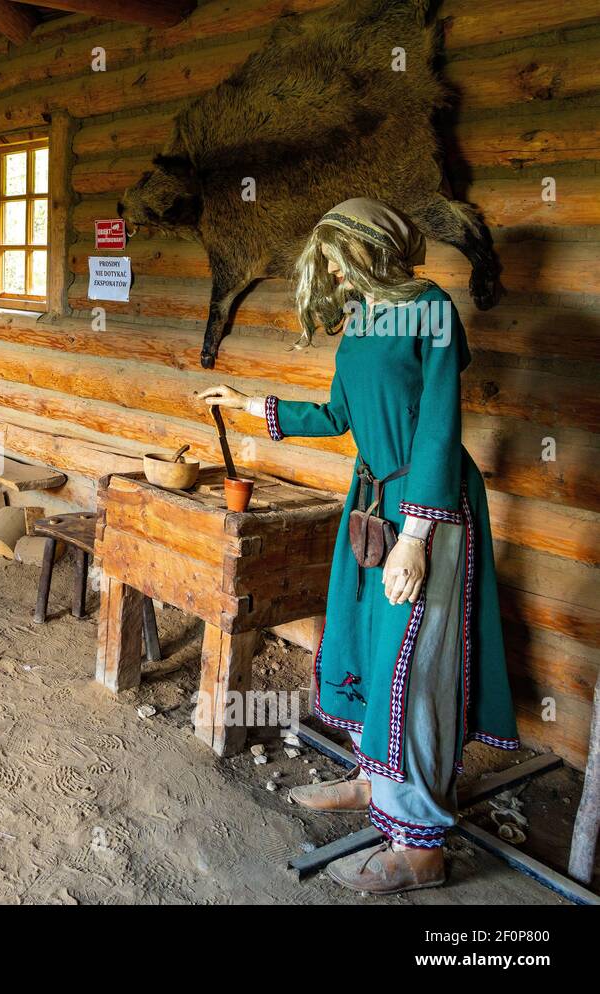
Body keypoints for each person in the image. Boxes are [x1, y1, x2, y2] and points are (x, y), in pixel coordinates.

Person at [200, 198, 518, 895]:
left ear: (370, 247)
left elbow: (437, 426)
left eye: (338, 256)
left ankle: (421, 846)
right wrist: (251, 402)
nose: (333, 272)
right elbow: (341, 414)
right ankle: (375, 779)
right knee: (373, 646)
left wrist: (416, 537)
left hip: (424, 506)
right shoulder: (362, 320)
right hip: (372, 498)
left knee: (418, 668)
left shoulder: (430, 309)